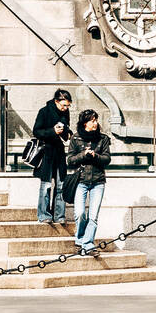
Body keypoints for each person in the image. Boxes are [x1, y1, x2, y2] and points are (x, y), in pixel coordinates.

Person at [67, 109, 111, 255]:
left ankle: (88, 243)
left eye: (96, 120)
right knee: (80, 213)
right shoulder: (76, 138)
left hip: (98, 181)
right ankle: (80, 240)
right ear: (85, 123)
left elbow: (107, 159)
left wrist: (95, 156)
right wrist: (83, 155)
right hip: (81, 180)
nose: (95, 123)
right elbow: (70, 160)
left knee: (93, 216)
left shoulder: (103, 139)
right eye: (92, 120)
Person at [32, 89, 72, 223]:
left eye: (67, 105)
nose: (65, 108)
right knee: (46, 185)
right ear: (56, 101)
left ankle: (59, 215)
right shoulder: (44, 111)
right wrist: (53, 131)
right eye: (63, 105)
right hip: (47, 152)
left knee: (61, 185)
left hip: (59, 152)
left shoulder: (65, 113)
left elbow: (66, 131)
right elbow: (36, 131)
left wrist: (67, 133)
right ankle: (44, 215)